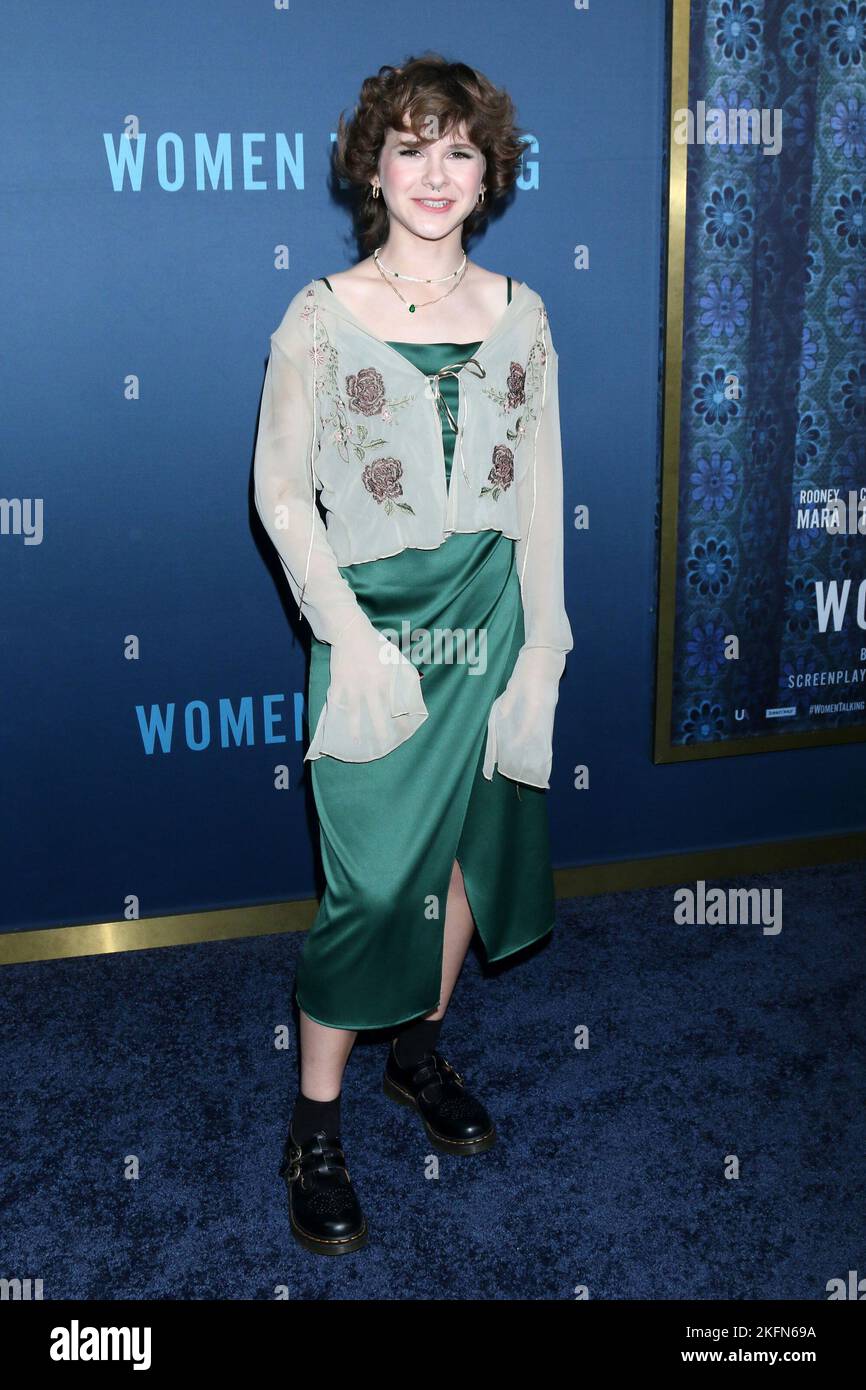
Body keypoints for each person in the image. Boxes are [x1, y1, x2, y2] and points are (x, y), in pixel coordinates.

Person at [253, 53, 573, 1256]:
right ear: (371, 167)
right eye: (410, 146)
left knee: (461, 865)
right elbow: (280, 496)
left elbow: (541, 496)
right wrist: (348, 637)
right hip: (375, 622)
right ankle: (312, 1124)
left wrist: (542, 645)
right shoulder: (318, 317)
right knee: (371, 883)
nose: (434, 172)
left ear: (485, 172)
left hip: (489, 616)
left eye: (458, 150)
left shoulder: (523, 312)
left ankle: (419, 1056)